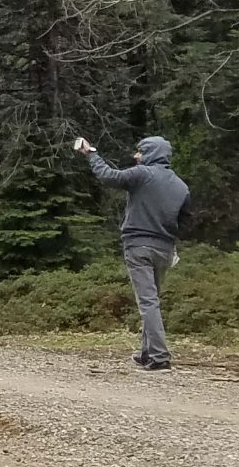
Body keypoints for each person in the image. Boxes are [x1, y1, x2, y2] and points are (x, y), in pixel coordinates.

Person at [73, 134, 189, 371]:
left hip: (138, 246)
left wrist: (91, 153)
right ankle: (148, 352)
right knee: (152, 300)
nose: (136, 156)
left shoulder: (143, 174)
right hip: (165, 249)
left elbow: (109, 176)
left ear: (151, 154)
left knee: (147, 302)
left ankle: (159, 357)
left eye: (140, 152)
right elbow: (185, 222)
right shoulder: (181, 186)